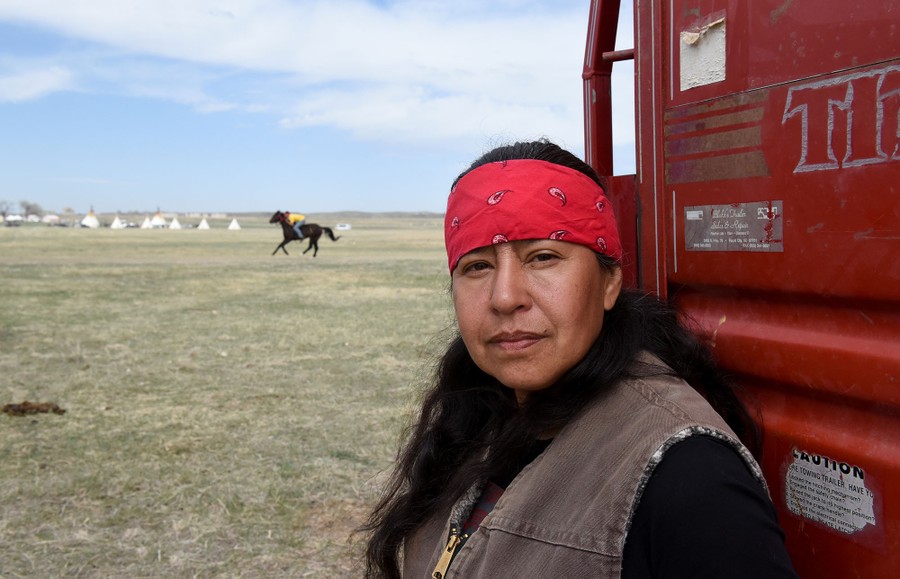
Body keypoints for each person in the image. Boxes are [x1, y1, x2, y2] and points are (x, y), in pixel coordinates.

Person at [363, 140, 798, 578]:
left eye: (543, 257)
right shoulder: (477, 419)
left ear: (609, 283)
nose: (505, 297)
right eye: (477, 266)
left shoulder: (689, 475)